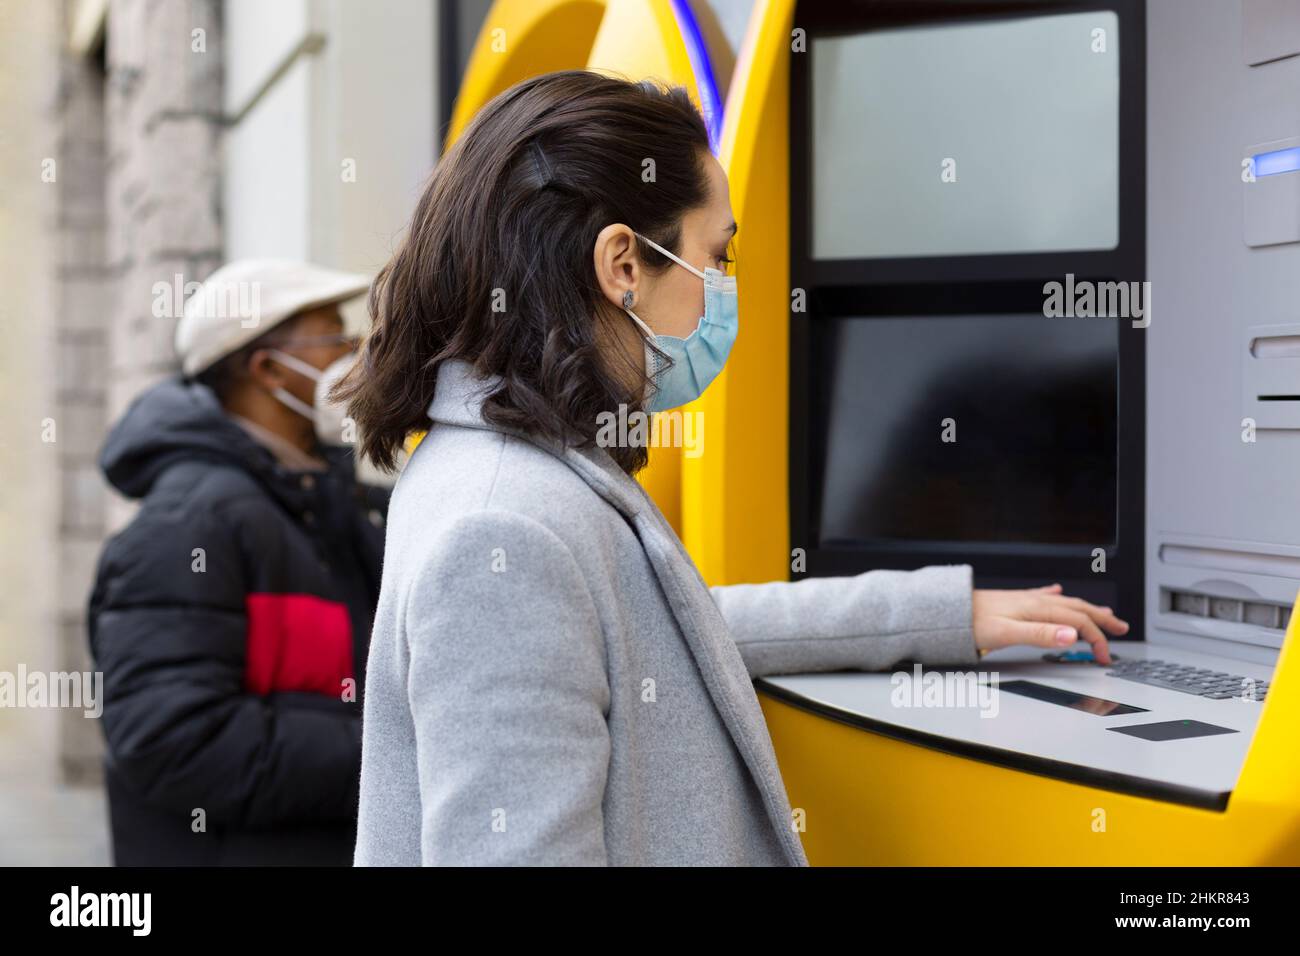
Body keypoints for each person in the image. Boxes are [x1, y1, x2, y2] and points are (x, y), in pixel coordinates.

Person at [341, 71, 1129, 866]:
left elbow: (659, 629)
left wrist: (940, 613)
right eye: (715, 255)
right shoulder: (504, 524)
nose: (723, 289)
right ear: (622, 263)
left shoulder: (496, 467)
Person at [87, 260, 389, 865]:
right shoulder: (189, 525)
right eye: (337, 339)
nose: (359, 359)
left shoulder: (327, 502)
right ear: (269, 370)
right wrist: (391, 753)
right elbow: (174, 742)